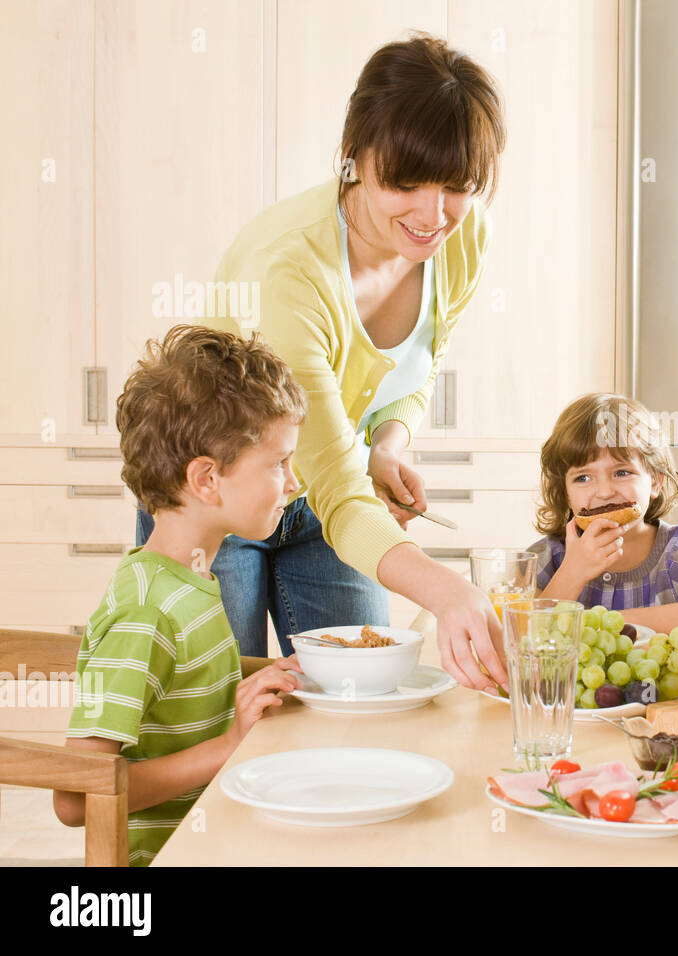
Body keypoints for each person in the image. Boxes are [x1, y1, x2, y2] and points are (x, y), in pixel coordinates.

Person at [156, 33, 509, 690]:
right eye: (406, 183)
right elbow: (343, 496)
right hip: (217, 495)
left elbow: (419, 365)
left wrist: (387, 441)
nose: (433, 217)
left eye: (457, 186)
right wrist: (449, 591)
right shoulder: (290, 271)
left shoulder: (464, 239)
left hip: (325, 492)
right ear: (352, 160)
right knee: (215, 717)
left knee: (361, 693)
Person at [54, 327, 305, 865]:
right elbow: (75, 798)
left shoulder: (189, 581)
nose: (294, 482)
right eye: (279, 463)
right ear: (207, 479)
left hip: (227, 839)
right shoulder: (146, 611)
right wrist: (229, 745)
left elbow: (188, 687)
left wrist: (271, 675)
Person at [529, 394, 678, 636]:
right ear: (565, 493)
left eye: (621, 472)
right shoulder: (547, 558)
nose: (605, 492)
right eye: (583, 477)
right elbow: (527, 637)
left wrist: (602, 622)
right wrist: (572, 572)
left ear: (655, 482)